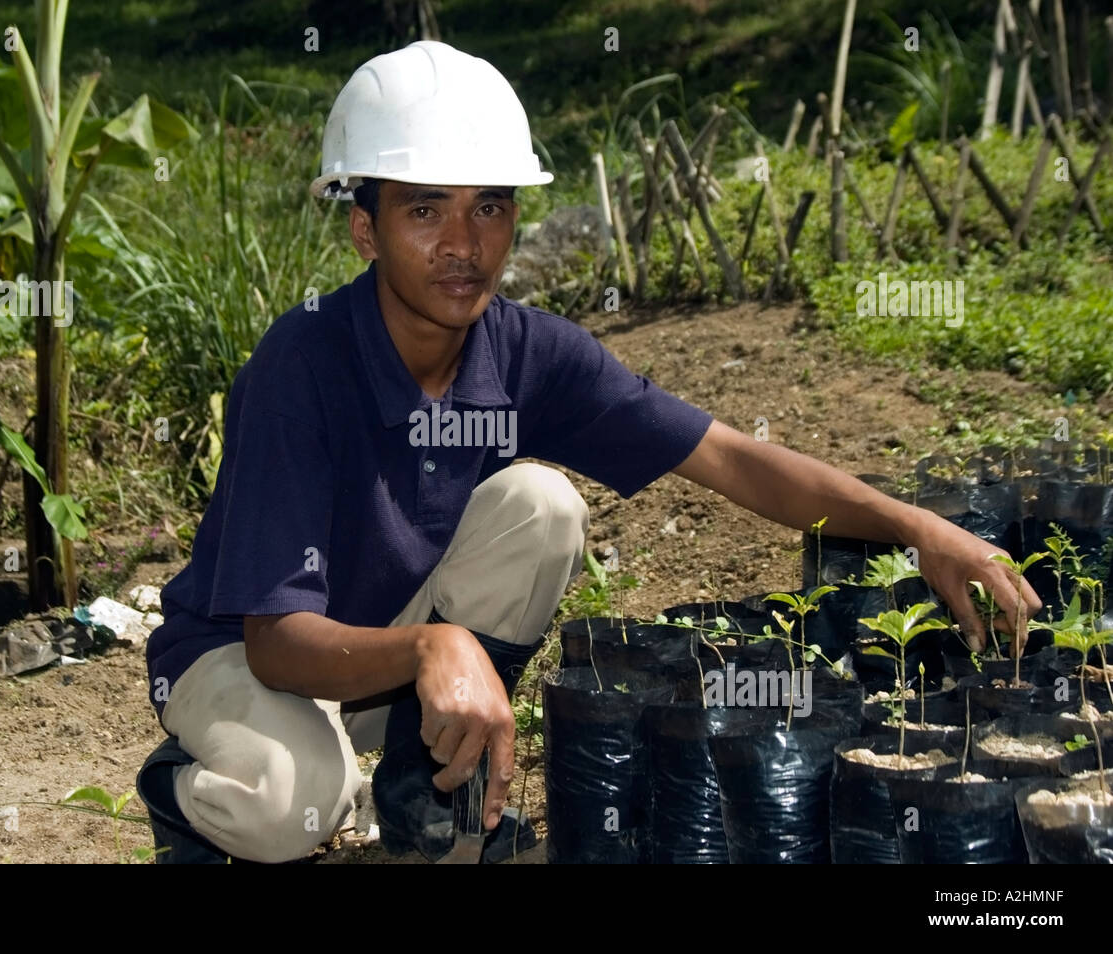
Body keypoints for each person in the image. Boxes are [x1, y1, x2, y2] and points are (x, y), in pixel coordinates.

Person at [137, 40, 1041, 864]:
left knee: (542, 505)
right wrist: (431, 646)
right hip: (243, 653)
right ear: (366, 229)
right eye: (425, 211)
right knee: (291, 807)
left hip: (391, 653)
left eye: (489, 207)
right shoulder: (302, 365)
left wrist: (920, 526)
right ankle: (182, 793)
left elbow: (730, 458)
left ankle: (423, 787)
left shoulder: (527, 352)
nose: (464, 244)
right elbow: (276, 643)